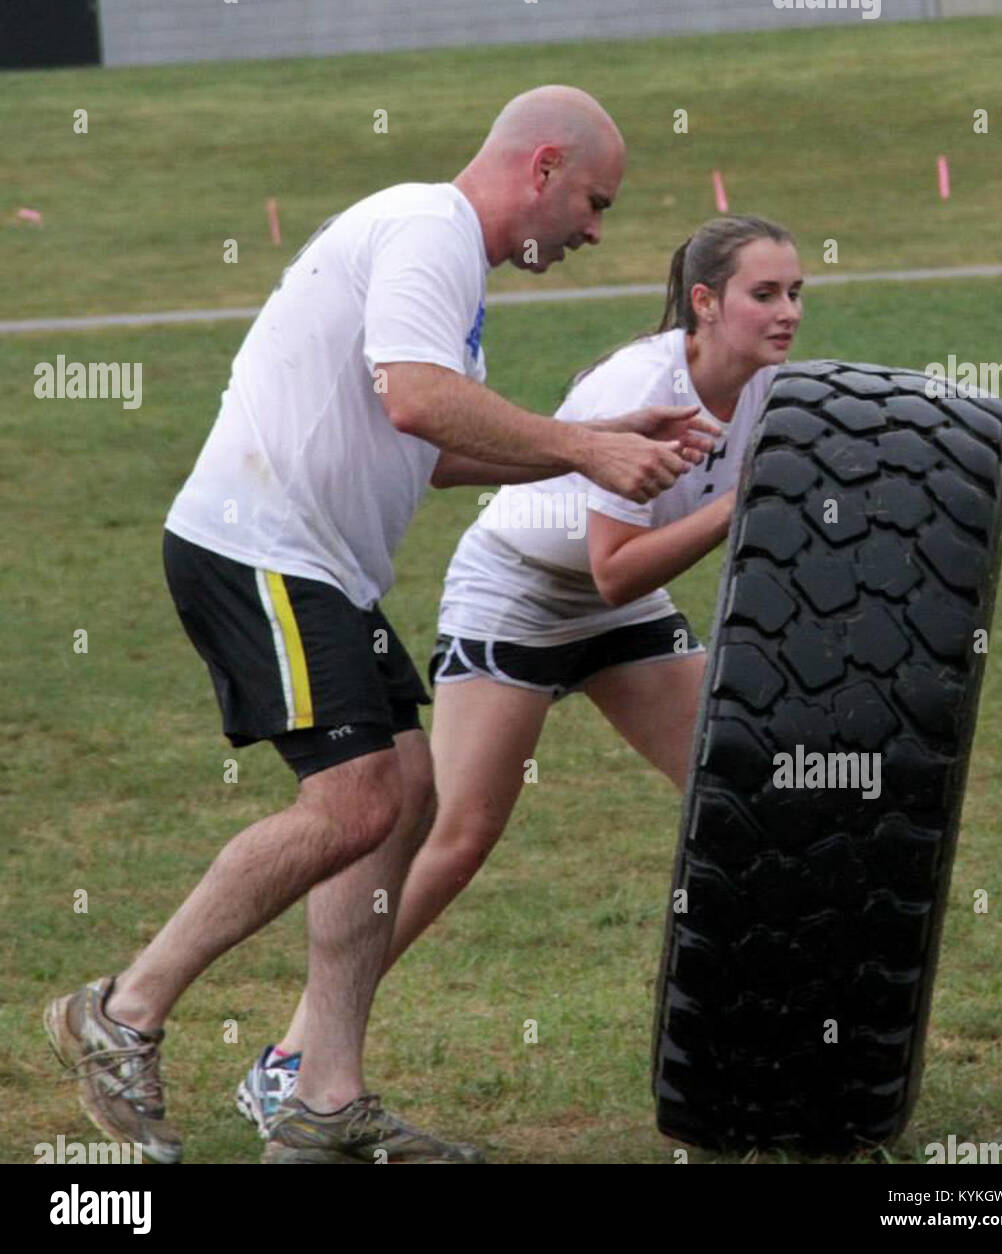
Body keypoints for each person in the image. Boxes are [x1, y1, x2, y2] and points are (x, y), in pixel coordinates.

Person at [43, 86, 718, 1166]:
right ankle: (121, 1009)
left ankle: (324, 1098)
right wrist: (587, 452)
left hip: (316, 568)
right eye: (593, 200)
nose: (595, 229)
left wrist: (593, 435)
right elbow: (416, 399)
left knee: (407, 797)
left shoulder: (446, 262)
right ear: (541, 166)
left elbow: (436, 449)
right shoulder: (427, 229)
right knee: (358, 801)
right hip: (258, 546)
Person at [235, 214, 804, 1135]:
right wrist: (747, 501)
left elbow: (626, 585)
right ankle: (293, 1057)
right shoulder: (642, 379)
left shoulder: (773, 390)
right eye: (764, 294)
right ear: (705, 303)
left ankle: (769, 1025)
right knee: (455, 839)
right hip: (515, 600)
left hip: (619, 612)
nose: (786, 313)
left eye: (794, 294)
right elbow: (618, 561)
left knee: (739, 787)